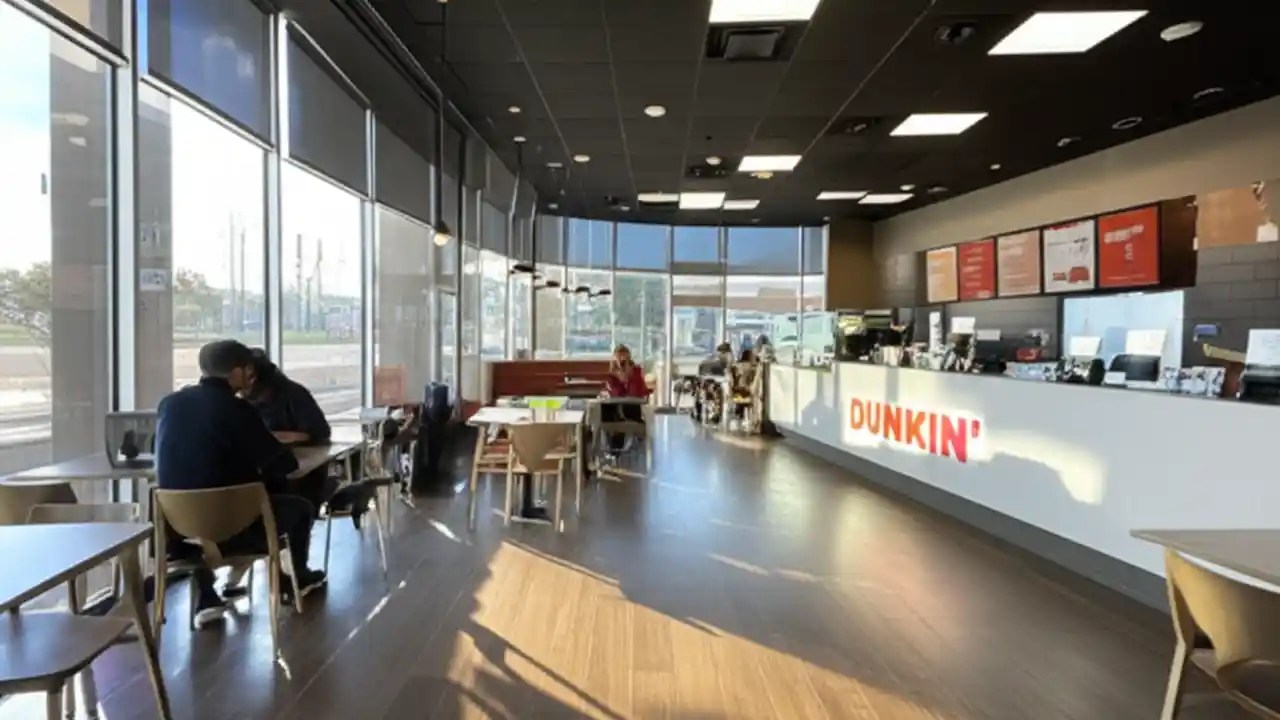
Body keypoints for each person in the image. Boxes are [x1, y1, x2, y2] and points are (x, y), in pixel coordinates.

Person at [155, 339, 326, 628]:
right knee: (300, 507)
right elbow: (284, 466)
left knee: (205, 524)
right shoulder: (238, 409)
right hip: (231, 524)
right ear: (236, 372)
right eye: (247, 369)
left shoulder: (169, 404)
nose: (250, 376)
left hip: (176, 526)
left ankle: (207, 587)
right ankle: (296, 576)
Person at [244, 349, 335, 513]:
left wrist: (272, 437)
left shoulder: (295, 395)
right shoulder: (241, 401)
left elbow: (319, 432)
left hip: (303, 474)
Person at [603, 344, 648, 451]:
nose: (621, 361)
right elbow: (615, 394)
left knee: (628, 408)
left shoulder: (635, 372)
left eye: (624, 358)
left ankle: (621, 444)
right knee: (606, 411)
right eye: (619, 358)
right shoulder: (612, 376)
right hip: (616, 408)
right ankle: (613, 447)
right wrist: (619, 377)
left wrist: (629, 377)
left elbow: (637, 393)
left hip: (631, 407)